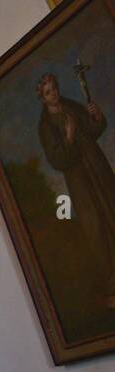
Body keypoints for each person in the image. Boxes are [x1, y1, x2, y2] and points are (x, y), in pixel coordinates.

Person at [37, 72, 115, 308]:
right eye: (49, 92)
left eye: (55, 88)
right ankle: (113, 283)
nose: (54, 94)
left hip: (98, 169)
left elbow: (93, 131)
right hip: (79, 181)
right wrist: (69, 139)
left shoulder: (71, 106)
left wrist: (96, 117)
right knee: (96, 226)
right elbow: (57, 160)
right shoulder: (46, 126)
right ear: (42, 97)